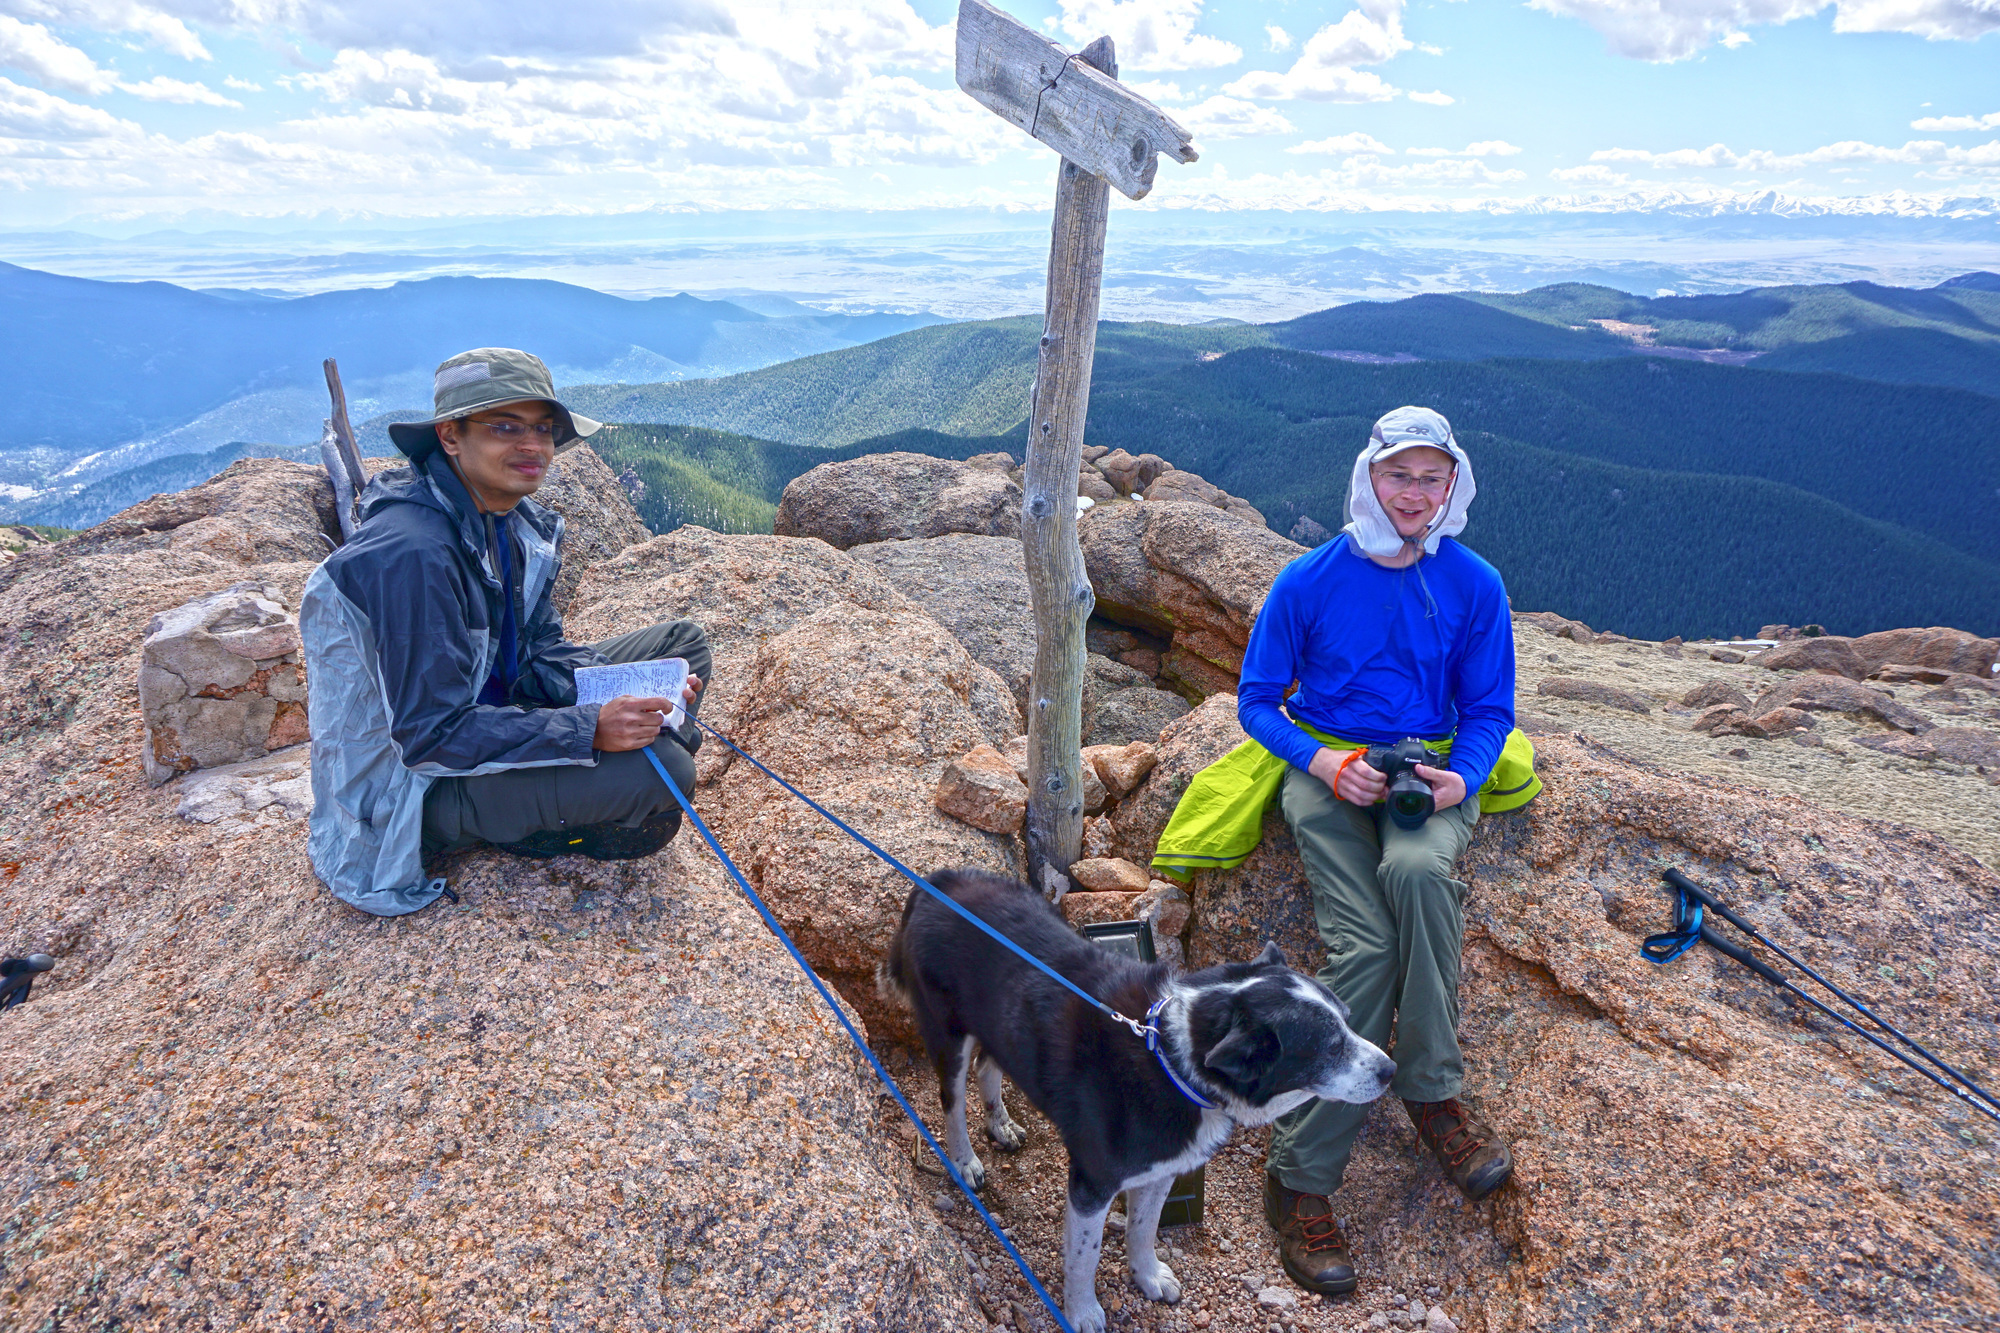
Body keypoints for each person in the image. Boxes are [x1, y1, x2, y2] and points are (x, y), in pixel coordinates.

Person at [1153, 405, 1536, 1297]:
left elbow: (1487, 712)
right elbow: (1256, 702)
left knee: (1420, 870)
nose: (1413, 492)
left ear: (1454, 485)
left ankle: (1431, 1088)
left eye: (1429, 477)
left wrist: (1459, 779)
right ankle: (1304, 1177)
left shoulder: (1475, 584)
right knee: (1365, 947)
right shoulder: (1309, 581)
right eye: (1398, 475)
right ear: (1369, 477)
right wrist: (1325, 761)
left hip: (1430, 769)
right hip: (1327, 768)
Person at [300, 347, 710, 917]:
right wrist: (587, 728)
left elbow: (539, 651)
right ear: (449, 436)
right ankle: (521, 830)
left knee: (681, 648)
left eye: (543, 430)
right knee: (663, 771)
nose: (532, 447)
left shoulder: (507, 522)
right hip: (412, 789)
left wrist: (633, 692)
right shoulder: (413, 555)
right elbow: (430, 738)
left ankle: (630, 748)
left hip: (497, 708)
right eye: (504, 428)